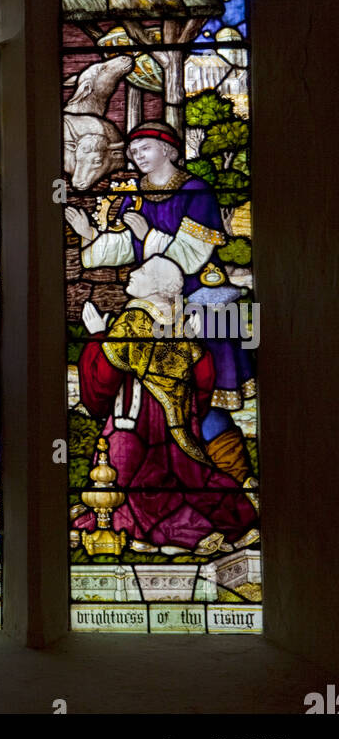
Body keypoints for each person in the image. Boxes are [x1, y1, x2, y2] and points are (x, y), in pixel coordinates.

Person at [65, 120, 255, 482]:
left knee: (205, 394)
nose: (138, 156)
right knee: (154, 391)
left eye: (146, 148)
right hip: (154, 301)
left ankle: (235, 475)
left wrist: (148, 236)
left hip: (199, 299)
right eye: (134, 152)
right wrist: (89, 235)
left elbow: (191, 255)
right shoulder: (135, 192)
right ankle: (166, 472)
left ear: (169, 150)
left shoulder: (196, 191)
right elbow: (124, 246)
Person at [72, 256, 258, 556]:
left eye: (142, 271)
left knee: (131, 481)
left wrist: (95, 336)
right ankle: (229, 523)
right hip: (177, 424)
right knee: (189, 477)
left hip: (132, 419)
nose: (132, 272)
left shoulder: (134, 320)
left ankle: (189, 533)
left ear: (158, 287)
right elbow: (203, 378)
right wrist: (184, 413)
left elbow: (104, 378)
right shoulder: (180, 322)